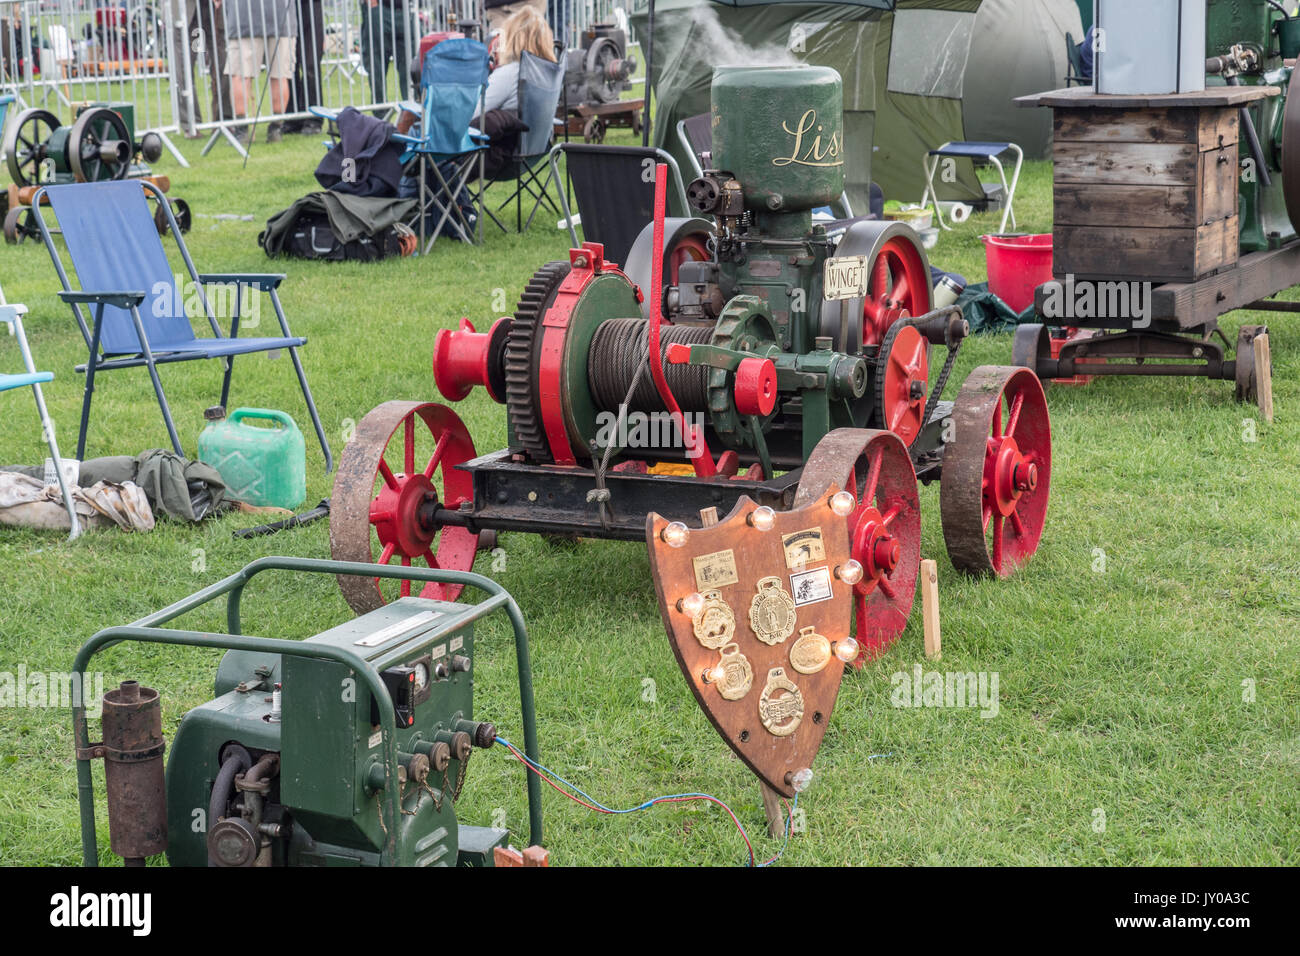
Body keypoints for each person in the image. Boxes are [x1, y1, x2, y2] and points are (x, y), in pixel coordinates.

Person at [220, 0, 298, 144]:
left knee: (241, 75)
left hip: (243, 15)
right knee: (279, 75)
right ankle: (276, 129)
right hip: (280, 14)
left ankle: (241, 130)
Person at [282, 0, 324, 133]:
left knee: (310, 65)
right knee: (289, 64)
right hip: (286, 7)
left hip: (310, 6)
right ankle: (292, 117)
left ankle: (314, 117)